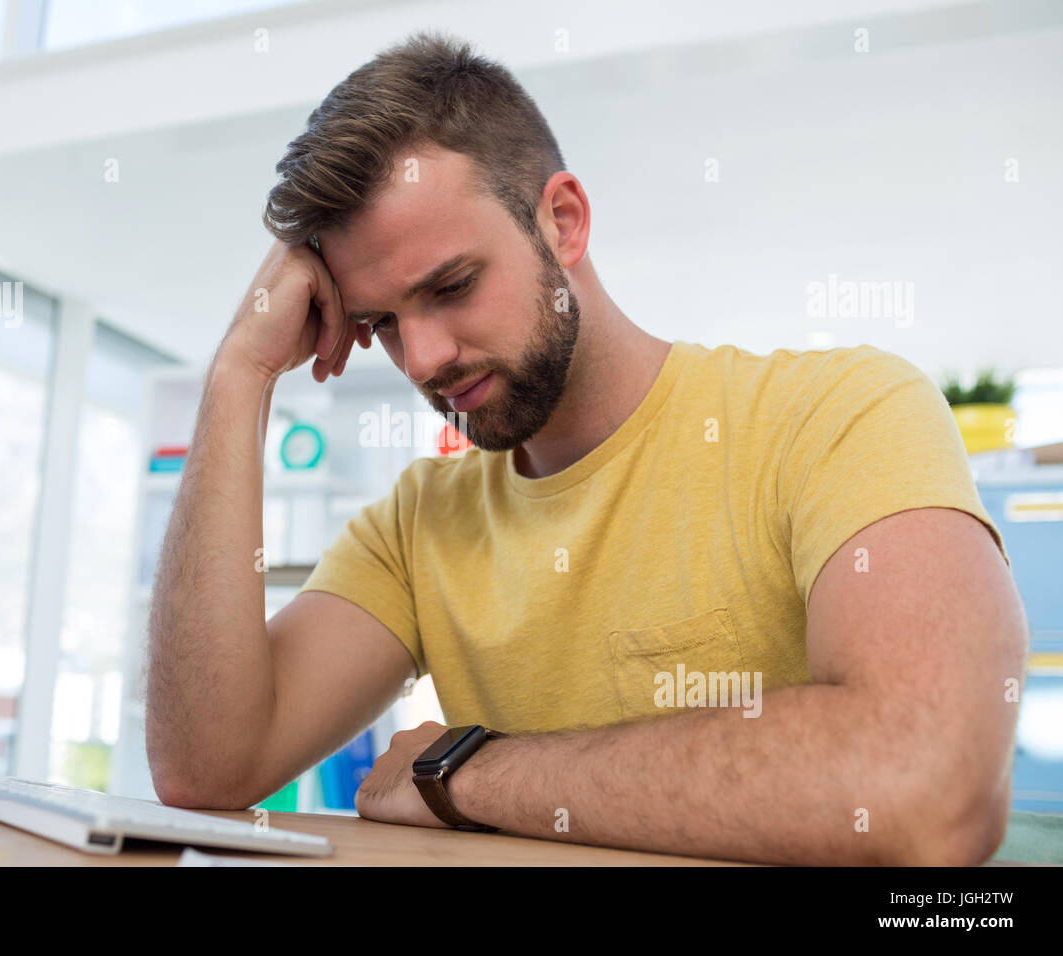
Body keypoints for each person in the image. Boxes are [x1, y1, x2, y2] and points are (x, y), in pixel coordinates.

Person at [146, 30, 1027, 865]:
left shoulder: (839, 414)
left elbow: (928, 788)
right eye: (380, 323)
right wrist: (237, 377)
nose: (424, 359)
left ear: (563, 221)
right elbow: (207, 768)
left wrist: (468, 770)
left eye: (452, 286)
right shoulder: (418, 527)